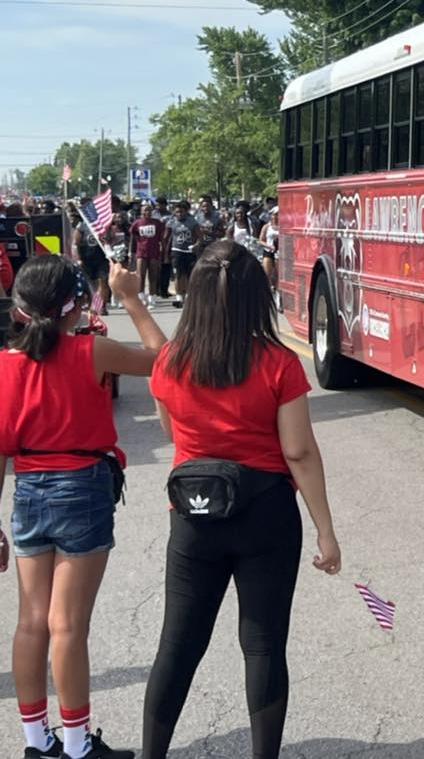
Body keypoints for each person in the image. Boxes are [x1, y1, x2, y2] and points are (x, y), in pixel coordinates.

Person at [142, 240, 341, 759]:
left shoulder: (170, 363)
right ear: (258, 297)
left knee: (178, 646)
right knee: (263, 645)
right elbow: (297, 451)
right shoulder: (279, 364)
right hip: (267, 517)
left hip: (193, 519)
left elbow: (175, 437)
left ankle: (152, 753)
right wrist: (325, 528)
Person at [0, 257, 163, 759]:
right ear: (76, 308)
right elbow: (163, 358)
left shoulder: (5, 365)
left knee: (31, 621)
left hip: (28, 489)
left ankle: (36, 741)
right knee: (68, 624)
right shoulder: (94, 351)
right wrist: (132, 298)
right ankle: (76, 745)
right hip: (82, 487)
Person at [164, 203, 201, 310]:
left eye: (182, 212)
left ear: (186, 212)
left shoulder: (192, 222)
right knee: (178, 275)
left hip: (189, 252)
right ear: (174, 212)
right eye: (177, 212)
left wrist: (196, 245)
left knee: (190, 275)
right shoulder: (171, 222)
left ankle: (189, 296)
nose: (179, 214)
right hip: (177, 251)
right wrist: (165, 250)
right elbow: (166, 238)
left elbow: (200, 237)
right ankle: (179, 297)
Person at [127, 206, 164, 309]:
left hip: (154, 252)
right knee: (140, 275)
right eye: (145, 210)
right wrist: (130, 252)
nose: (147, 212)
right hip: (141, 253)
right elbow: (132, 239)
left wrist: (163, 251)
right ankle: (141, 296)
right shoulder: (137, 223)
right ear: (141, 211)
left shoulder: (157, 223)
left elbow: (162, 238)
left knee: (153, 275)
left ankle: (152, 297)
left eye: (149, 210)